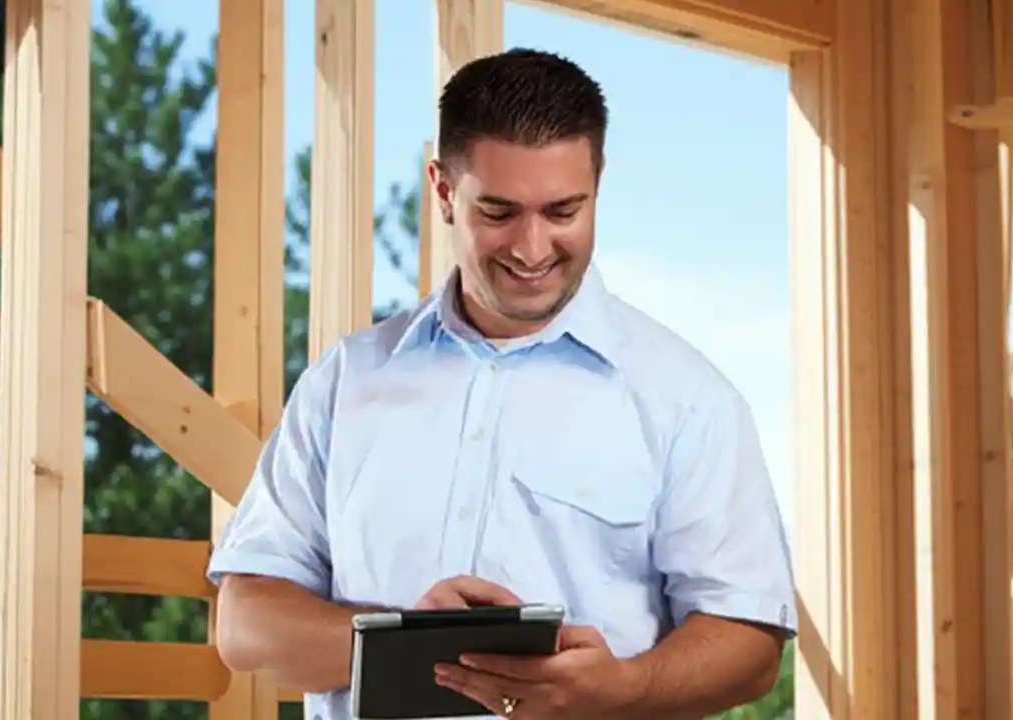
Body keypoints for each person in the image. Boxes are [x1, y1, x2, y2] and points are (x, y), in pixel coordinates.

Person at [207, 47, 796, 720]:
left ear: (597, 189)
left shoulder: (689, 400)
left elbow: (750, 643)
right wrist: (406, 639)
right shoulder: (346, 383)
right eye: (499, 212)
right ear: (442, 191)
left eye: (563, 211)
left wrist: (624, 690)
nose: (532, 247)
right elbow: (246, 622)